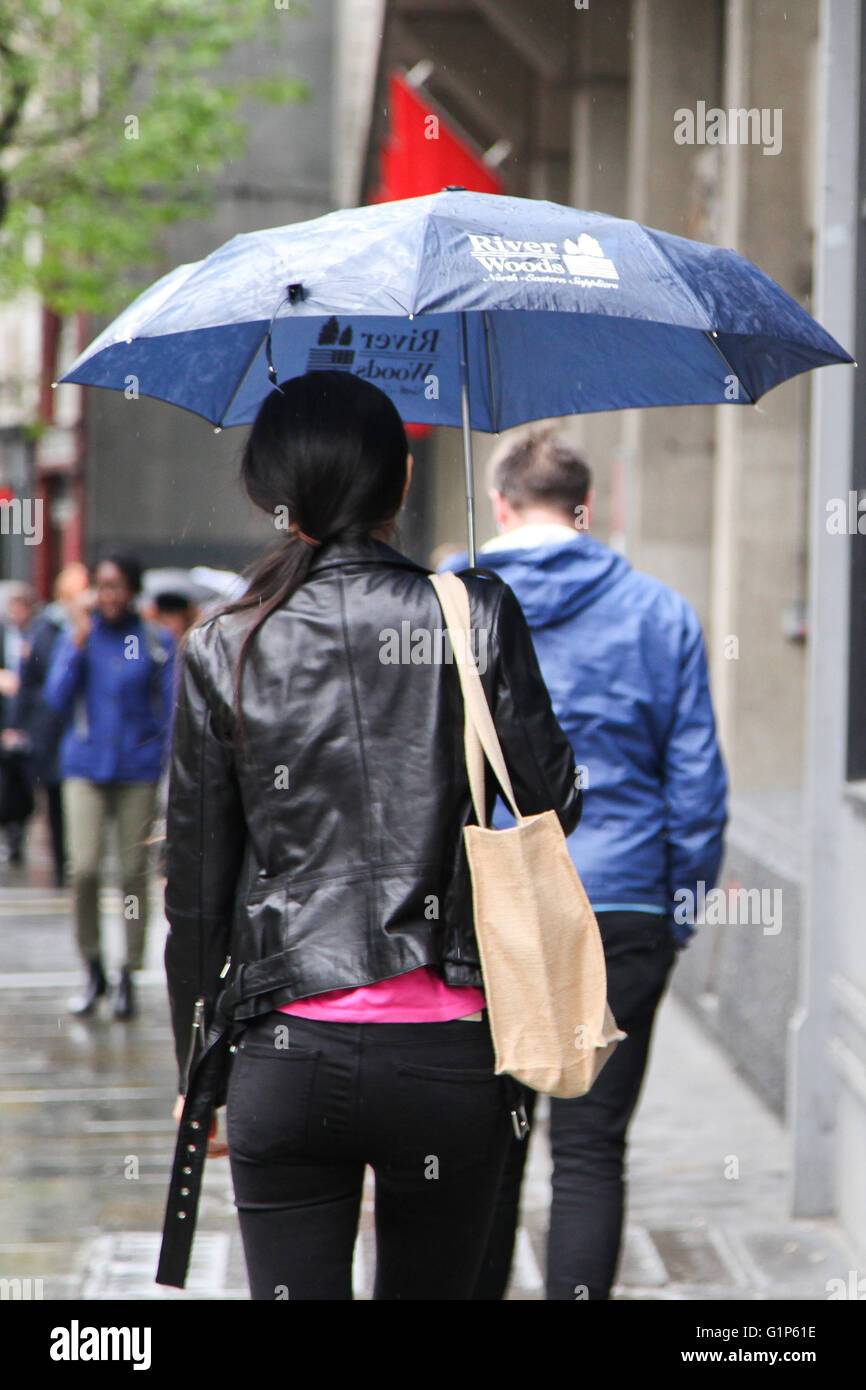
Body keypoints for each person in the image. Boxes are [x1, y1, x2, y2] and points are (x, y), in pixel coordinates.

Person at [159, 371, 581, 1301]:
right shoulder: (471, 612)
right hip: (446, 1056)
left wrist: (197, 1066)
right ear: (399, 482)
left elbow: (193, 888)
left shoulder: (222, 645)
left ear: (272, 496)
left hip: (282, 1051)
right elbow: (553, 804)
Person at [440, 424, 728, 1301]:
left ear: (499, 504)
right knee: (594, 1150)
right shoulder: (661, 611)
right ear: (587, 508)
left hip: (498, 908)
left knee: (488, 1152)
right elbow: (699, 789)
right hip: (625, 901)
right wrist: (667, 916)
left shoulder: (451, 603)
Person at [43, 554, 176, 1018]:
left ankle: (127, 972)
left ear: (133, 590)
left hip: (136, 769)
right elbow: (55, 698)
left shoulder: (153, 639)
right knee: (84, 870)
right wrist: (77, 646)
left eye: (117, 586)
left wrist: (162, 754)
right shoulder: (80, 635)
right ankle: (93, 964)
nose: (109, 595)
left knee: (132, 874)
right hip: (84, 766)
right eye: (102, 586)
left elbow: (173, 706)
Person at [6, 564, 90, 886]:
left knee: (74, 798)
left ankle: (75, 860)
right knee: (54, 797)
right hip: (49, 728)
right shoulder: (47, 629)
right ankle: (61, 865)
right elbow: (31, 683)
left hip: (80, 729)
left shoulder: (96, 629)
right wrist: (16, 724)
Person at [0, 583, 38, 865]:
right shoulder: (4, 635)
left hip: (26, 719)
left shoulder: (39, 635)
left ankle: (17, 832)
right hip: (4, 714)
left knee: (23, 785)